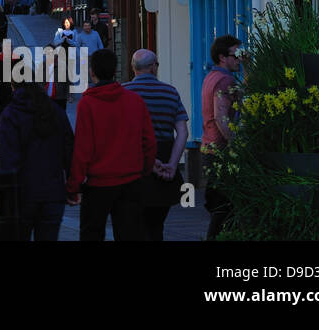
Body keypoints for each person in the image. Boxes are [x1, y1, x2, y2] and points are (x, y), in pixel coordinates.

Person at [66, 48, 156, 242]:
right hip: (130, 180)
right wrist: (144, 171)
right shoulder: (135, 101)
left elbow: (82, 149)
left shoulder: (88, 104)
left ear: (92, 72)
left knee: (92, 233)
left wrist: (73, 186)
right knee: (130, 234)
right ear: (115, 71)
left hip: (97, 183)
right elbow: (149, 142)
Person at [0, 79, 74, 240]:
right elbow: (69, 150)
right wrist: (73, 187)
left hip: (22, 195)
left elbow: (6, 161)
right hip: (53, 192)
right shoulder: (56, 112)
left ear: (13, 87)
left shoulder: (11, 113)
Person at [125, 49, 190, 241]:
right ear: (153, 67)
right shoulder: (170, 92)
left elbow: (125, 135)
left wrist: (150, 163)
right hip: (164, 158)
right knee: (156, 225)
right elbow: (183, 132)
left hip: (134, 165)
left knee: (135, 225)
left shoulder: (124, 92)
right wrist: (171, 164)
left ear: (133, 68)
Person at [202, 34, 242, 240]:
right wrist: (235, 144)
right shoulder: (225, 80)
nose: (239, 60)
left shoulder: (211, 77)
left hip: (208, 147)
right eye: (235, 55)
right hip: (221, 149)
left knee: (220, 204)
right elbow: (221, 116)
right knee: (224, 207)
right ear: (222, 57)